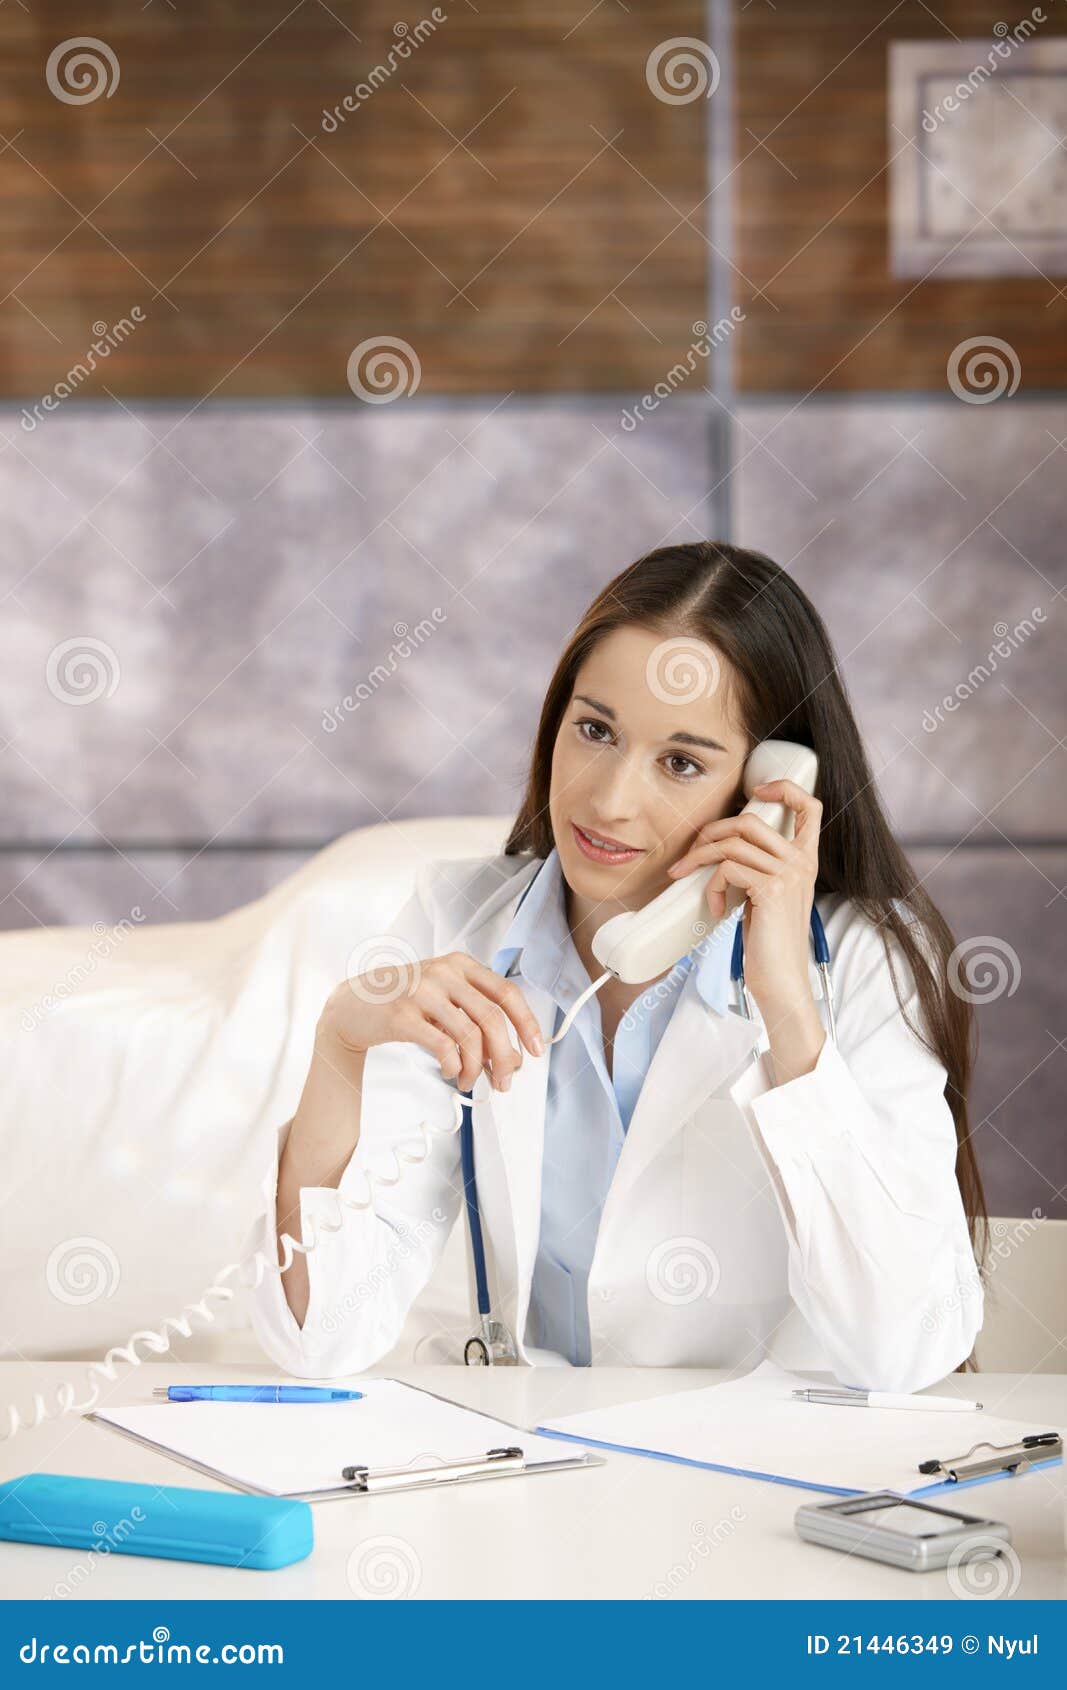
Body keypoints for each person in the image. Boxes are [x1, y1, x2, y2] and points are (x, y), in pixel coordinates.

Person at [242, 541, 988, 1390]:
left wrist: (785, 1005)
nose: (608, 800)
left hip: (764, 1483)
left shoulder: (864, 962)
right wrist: (338, 1050)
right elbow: (319, 1338)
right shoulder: (455, 924)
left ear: (767, 789)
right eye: (594, 730)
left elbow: (905, 1351)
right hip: (535, 1473)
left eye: (680, 762)